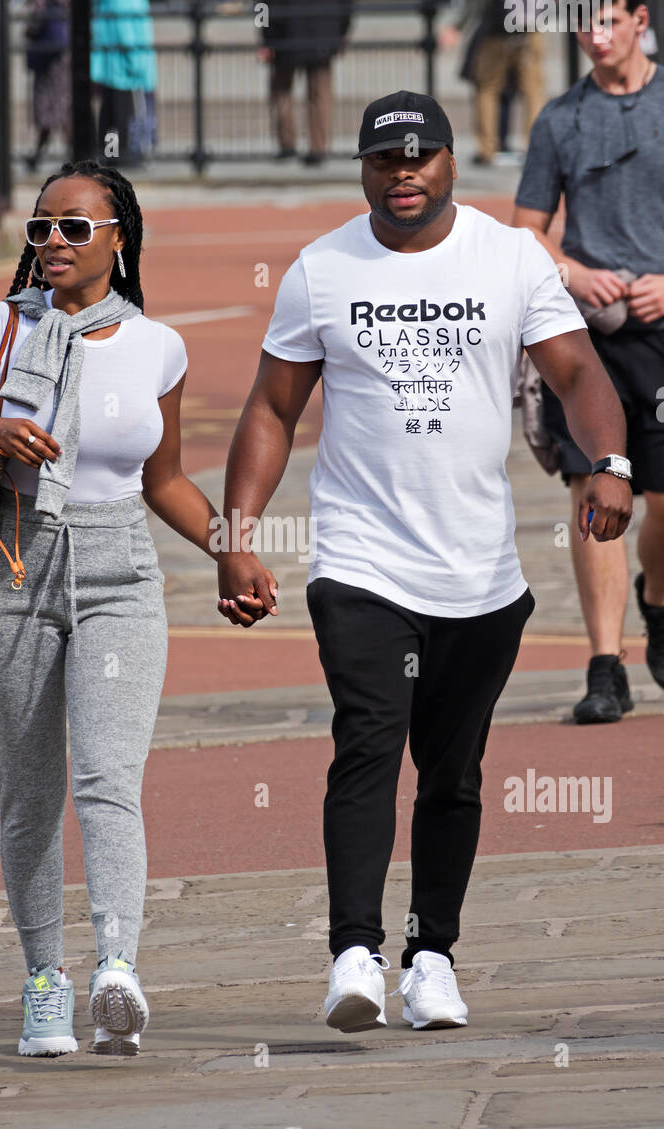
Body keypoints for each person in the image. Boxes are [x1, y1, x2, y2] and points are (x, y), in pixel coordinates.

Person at [216, 90, 632, 1033]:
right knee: (367, 742)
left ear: (449, 160)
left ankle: (431, 955)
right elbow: (271, 409)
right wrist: (236, 536)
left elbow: (576, 373)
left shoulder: (509, 257)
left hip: (480, 572)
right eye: (383, 160)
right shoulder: (322, 269)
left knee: (453, 772)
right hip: (360, 559)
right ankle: (353, 954)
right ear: (362, 169)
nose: (403, 174)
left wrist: (609, 463)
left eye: (420, 157)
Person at [0, 159, 274, 1058]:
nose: (56, 244)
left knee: (108, 777)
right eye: (42, 228)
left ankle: (118, 966)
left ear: (121, 237)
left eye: (76, 227)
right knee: (28, 794)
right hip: (12, 571)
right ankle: (44, 984)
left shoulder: (159, 347)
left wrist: (229, 547)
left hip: (120, 571)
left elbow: (165, 479)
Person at [512, 0, 664, 724]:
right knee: (595, 493)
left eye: (605, 21)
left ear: (639, 20)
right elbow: (525, 231)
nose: (592, 37)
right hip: (586, 337)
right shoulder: (559, 118)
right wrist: (570, 271)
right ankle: (603, 667)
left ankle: (656, 598)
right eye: (581, 24)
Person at [444, 0, 549, 165]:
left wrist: (458, 26)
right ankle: (534, 147)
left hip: (497, 33)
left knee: (488, 89)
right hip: (530, 32)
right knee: (533, 90)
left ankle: (487, 148)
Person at [257, 0, 351, 165]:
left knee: (281, 92)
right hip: (322, 40)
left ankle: (286, 145)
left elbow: (263, 8)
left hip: (285, 42)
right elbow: (346, 0)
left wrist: (266, 40)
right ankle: (318, 149)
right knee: (320, 96)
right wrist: (341, 33)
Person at [90, 0, 157, 168]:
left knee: (109, 111)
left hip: (109, 59)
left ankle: (109, 154)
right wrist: (136, 60)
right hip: (126, 63)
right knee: (126, 112)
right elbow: (127, 25)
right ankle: (126, 155)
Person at [24, 0, 71, 172]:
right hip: (66, 59)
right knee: (64, 108)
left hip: (46, 59)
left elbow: (35, 24)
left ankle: (37, 156)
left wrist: (27, 31)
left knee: (46, 110)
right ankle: (71, 157)